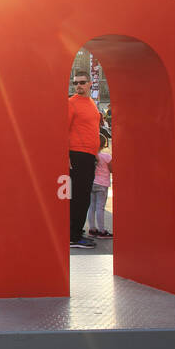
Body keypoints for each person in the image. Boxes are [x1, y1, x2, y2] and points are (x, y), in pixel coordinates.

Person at [68, 72, 101, 248]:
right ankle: (73, 236)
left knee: (84, 196)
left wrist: (95, 154)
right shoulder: (71, 103)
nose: (78, 86)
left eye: (82, 82)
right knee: (79, 197)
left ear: (89, 84)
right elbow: (62, 129)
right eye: (75, 83)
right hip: (77, 155)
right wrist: (65, 155)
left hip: (88, 156)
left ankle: (76, 232)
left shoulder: (91, 104)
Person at [89, 133, 113, 239]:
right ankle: (102, 230)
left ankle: (92, 229)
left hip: (92, 183)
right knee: (100, 207)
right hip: (102, 185)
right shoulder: (107, 157)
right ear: (104, 145)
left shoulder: (91, 156)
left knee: (91, 207)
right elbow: (112, 169)